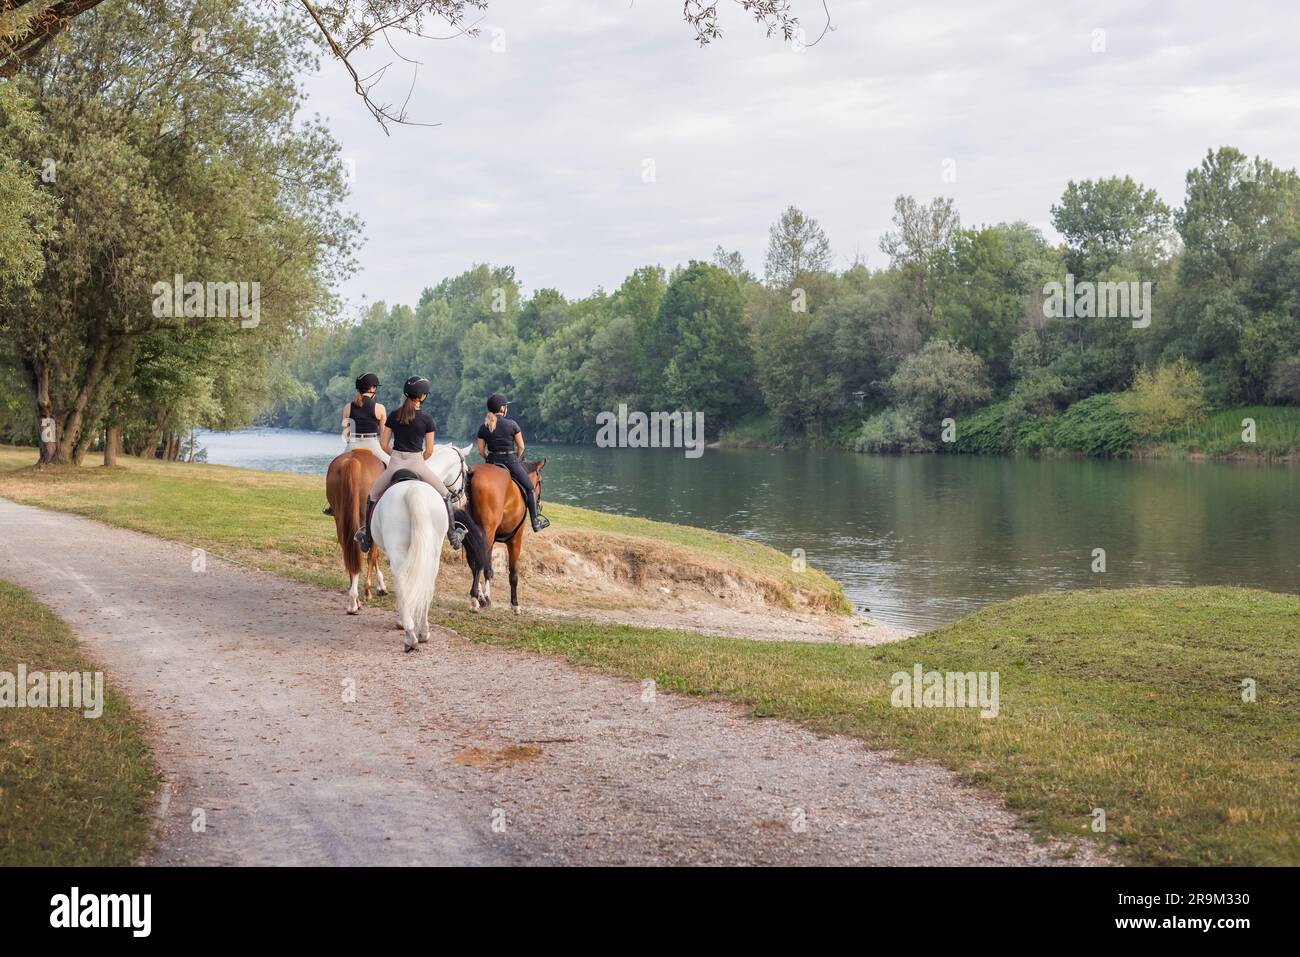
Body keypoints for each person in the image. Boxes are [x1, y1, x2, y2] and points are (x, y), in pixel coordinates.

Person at [355, 375, 466, 553]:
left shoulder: (393, 415)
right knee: (445, 495)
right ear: (422, 396)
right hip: (418, 464)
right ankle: (453, 535)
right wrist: (415, 458)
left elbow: (383, 445)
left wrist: (397, 455)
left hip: (395, 464)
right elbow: (429, 451)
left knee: (372, 495)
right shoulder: (427, 419)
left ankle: (367, 538)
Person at [476, 393, 548, 533]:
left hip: (491, 461)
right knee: (529, 488)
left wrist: (489, 458)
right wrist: (515, 457)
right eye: (506, 406)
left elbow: (480, 450)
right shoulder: (512, 424)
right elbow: (521, 447)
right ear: (503, 408)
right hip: (510, 461)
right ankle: (535, 521)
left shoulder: (484, 426)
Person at [342, 372, 388, 464]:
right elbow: (383, 441)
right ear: (371, 388)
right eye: (375, 387)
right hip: (372, 445)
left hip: (352, 445)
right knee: (391, 465)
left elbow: (346, 436)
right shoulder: (380, 408)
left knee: (337, 465)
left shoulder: (347, 407)